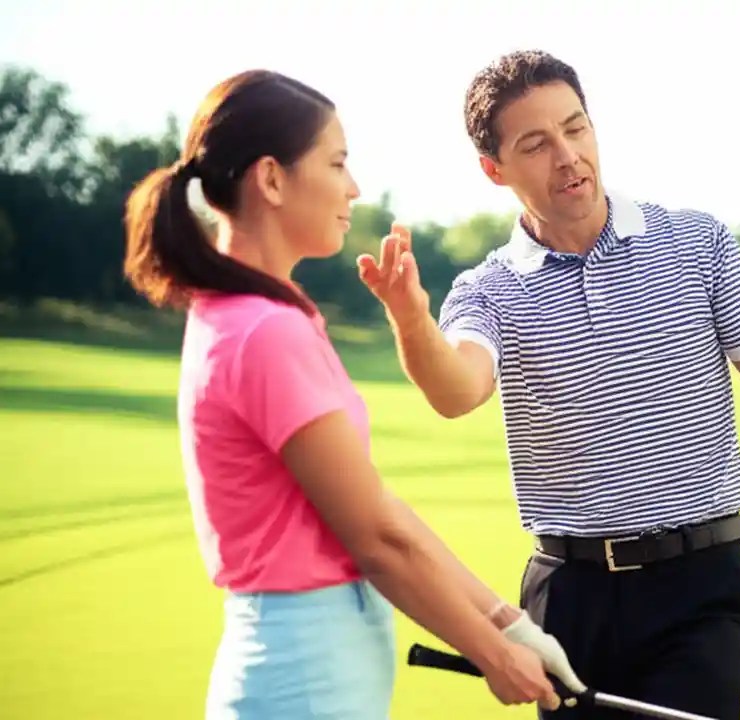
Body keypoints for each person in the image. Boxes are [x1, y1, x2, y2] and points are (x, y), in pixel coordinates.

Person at [358, 51, 740, 719]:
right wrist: (410, 319)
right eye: (537, 144)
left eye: (576, 129)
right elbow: (457, 388)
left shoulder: (698, 242)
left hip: (699, 585)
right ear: (495, 169)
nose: (568, 155)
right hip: (567, 595)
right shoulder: (489, 291)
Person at [121, 69, 587, 719]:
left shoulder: (257, 317)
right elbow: (375, 539)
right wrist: (492, 650)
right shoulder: (263, 332)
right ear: (273, 178)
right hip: (305, 674)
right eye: (337, 163)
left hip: (314, 668)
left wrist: (507, 622)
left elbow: (381, 513)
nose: (354, 187)